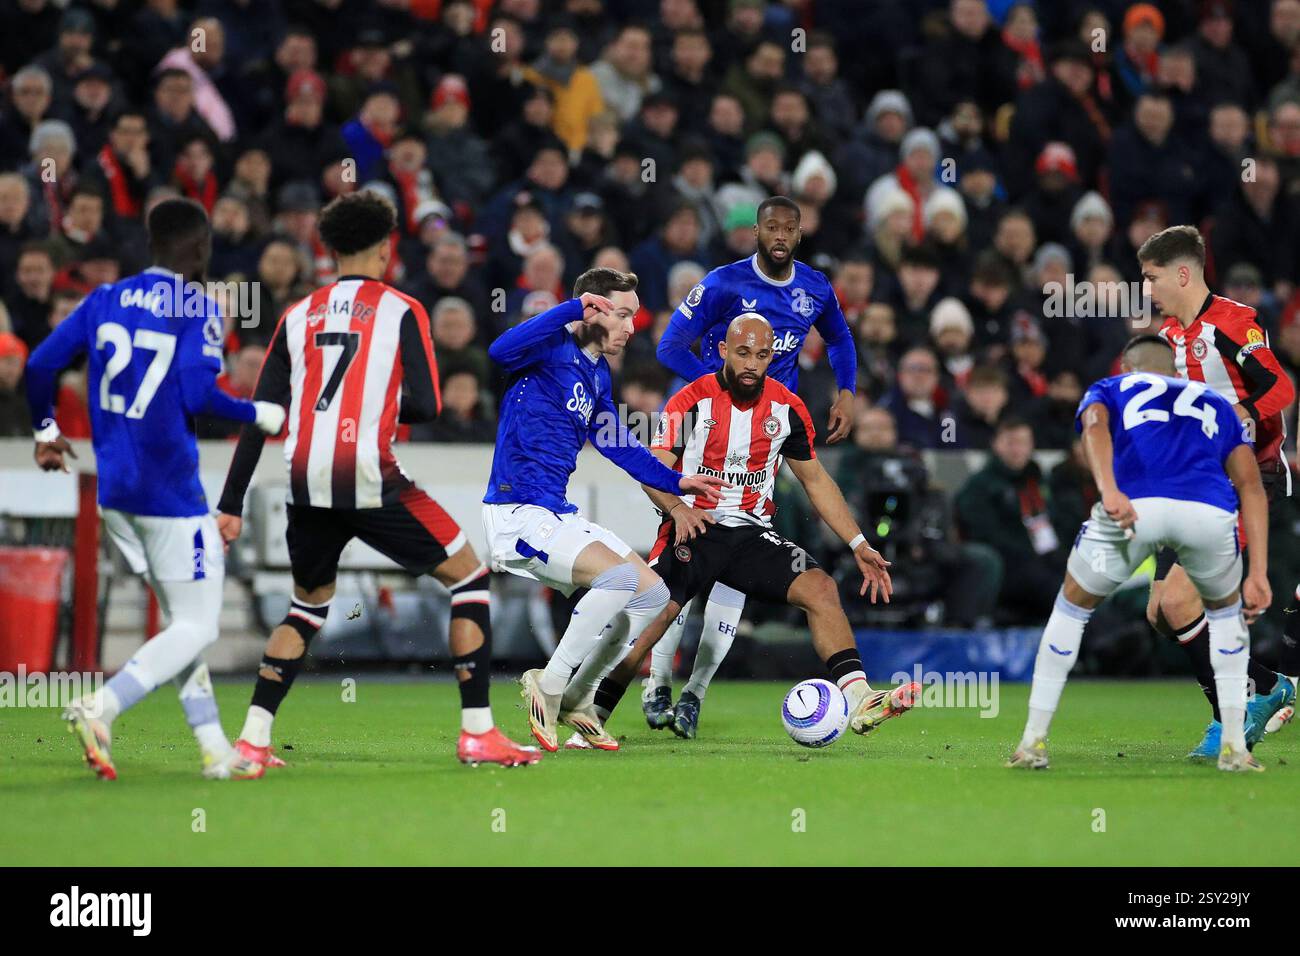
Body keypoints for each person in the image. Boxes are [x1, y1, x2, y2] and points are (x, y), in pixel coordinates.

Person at [216, 192, 540, 770]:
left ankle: (252, 742)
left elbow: (259, 415)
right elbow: (430, 403)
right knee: (468, 577)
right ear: (386, 248)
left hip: (303, 481)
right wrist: (381, 405)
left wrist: (230, 504)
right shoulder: (401, 309)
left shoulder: (297, 314)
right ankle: (478, 733)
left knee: (306, 607)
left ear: (330, 249)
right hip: (368, 475)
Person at [26, 198, 285, 781]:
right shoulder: (198, 306)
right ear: (197, 250)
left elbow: (41, 366)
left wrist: (46, 431)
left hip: (115, 490)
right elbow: (199, 397)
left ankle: (218, 752)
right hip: (170, 491)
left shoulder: (103, 299)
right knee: (200, 624)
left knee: (179, 620)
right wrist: (258, 413)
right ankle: (101, 707)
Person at [569, 314, 913, 742]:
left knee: (822, 588)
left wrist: (858, 542)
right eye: (743, 353)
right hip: (695, 526)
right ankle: (591, 714)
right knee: (652, 620)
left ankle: (861, 699)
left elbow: (815, 480)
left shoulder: (788, 408)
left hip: (751, 534)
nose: (752, 363)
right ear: (723, 352)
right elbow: (652, 470)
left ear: (773, 357)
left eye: (762, 354)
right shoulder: (690, 401)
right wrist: (678, 509)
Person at [481, 266, 726, 753]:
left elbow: (619, 444)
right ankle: (547, 687)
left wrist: (676, 481)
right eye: (623, 314)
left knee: (651, 596)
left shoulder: (596, 373)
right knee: (615, 579)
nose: (631, 327)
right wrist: (572, 309)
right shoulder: (548, 347)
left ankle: (578, 697)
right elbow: (498, 352)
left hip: (556, 514)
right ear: (592, 308)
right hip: (517, 512)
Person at [1009, 335, 1272, 772]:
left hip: (1135, 508)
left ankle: (1032, 742)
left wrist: (1109, 490)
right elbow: (1249, 485)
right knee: (1226, 621)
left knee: (1071, 609)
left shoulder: (1111, 387)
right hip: (1208, 513)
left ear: (1127, 368)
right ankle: (1235, 749)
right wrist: (1258, 570)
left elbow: (1093, 428)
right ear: (1174, 372)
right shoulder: (1215, 402)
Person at [645, 195, 857, 729]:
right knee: (683, 562)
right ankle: (656, 682)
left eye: (790, 227)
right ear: (756, 232)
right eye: (771, 227)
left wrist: (847, 390)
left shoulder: (814, 288)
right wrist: (717, 389)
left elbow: (840, 337)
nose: (780, 235)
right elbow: (670, 346)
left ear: (800, 233)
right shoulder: (721, 283)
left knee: (738, 563)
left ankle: (693, 693)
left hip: (768, 442)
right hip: (707, 440)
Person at [1139, 225, 1297, 758]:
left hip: (1247, 479)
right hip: (1192, 484)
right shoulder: (1167, 339)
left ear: (1183, 273)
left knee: (1182, 601)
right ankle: (1268, 685)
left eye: (1153, 277)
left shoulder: (1233, 323)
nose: (1149, 289)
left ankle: (1235, 710)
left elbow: (1281, 387)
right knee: (1161, 611)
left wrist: (1240, 413)